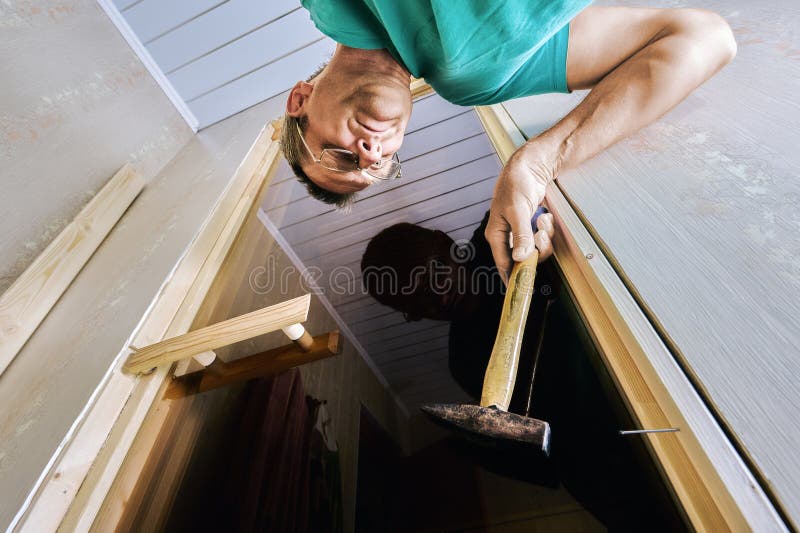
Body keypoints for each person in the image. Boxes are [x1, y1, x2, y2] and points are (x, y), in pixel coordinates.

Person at [282, 1, 737, 280]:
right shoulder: (475, 76)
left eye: (337, 155)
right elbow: (702, 38)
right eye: (376, 168)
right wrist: (538, 161)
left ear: (300, 98)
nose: (369, 153)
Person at [360, 213, 685, 530]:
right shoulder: (465, 363)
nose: (439, 295)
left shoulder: (501, 234)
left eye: (436, 272)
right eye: (418, 301)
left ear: (447, 245)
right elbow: (544, 440)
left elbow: (542, 199)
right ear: (413, 315)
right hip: (600, 447)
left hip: (647, 375)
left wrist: (538, 221)